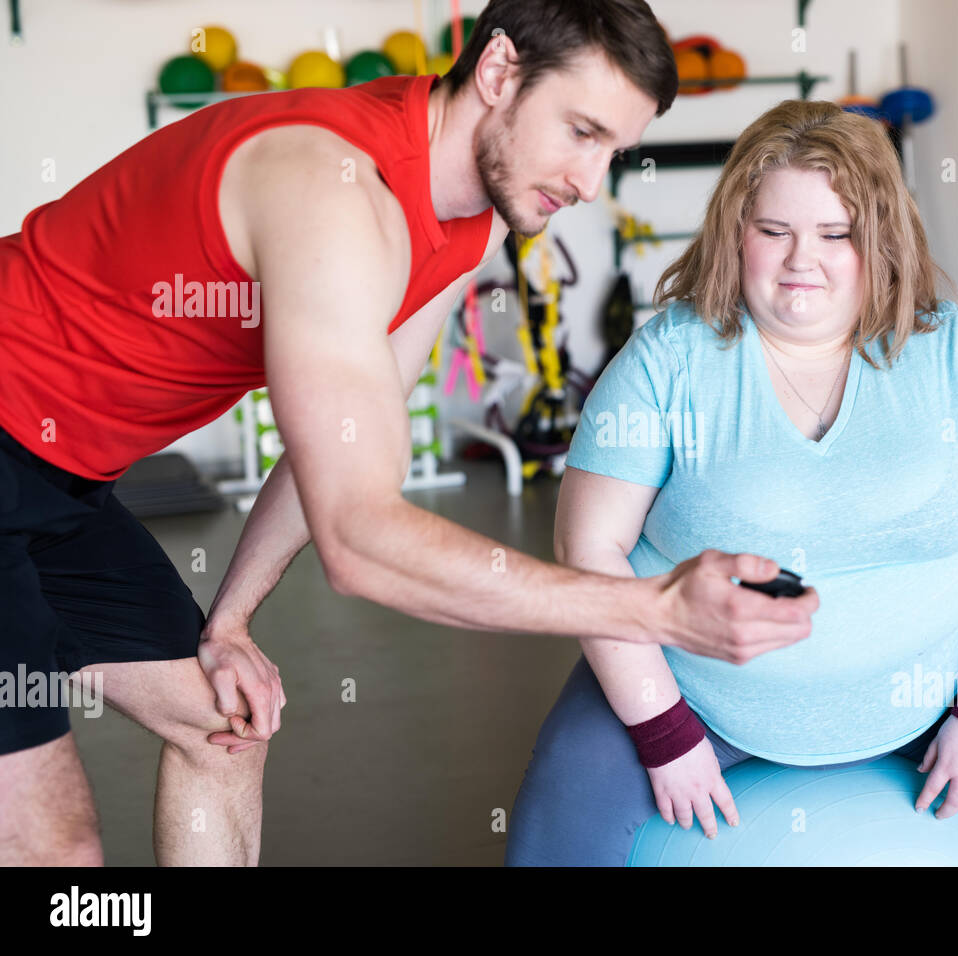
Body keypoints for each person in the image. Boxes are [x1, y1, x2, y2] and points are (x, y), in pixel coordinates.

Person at [0, 0, 819, 866]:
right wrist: (653, 609)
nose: (590, 180)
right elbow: (360, 541)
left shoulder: (461, 220)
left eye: (613, 150)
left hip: (60, 481)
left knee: (223, 727)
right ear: (499, 71)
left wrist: (230, 618)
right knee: (55, 855)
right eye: (580, 131)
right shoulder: (327, 185)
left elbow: (341, 450)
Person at [505, 98, 958, 866]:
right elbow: (589, 546)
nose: (800, 261)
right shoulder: (666, 361)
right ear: (734, 232)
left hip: (944, 676)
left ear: (879, 238)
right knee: (564, 803)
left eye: (835, 234)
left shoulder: (957, 353)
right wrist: (664, 731)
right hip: (702, 689)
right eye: (773, 231)